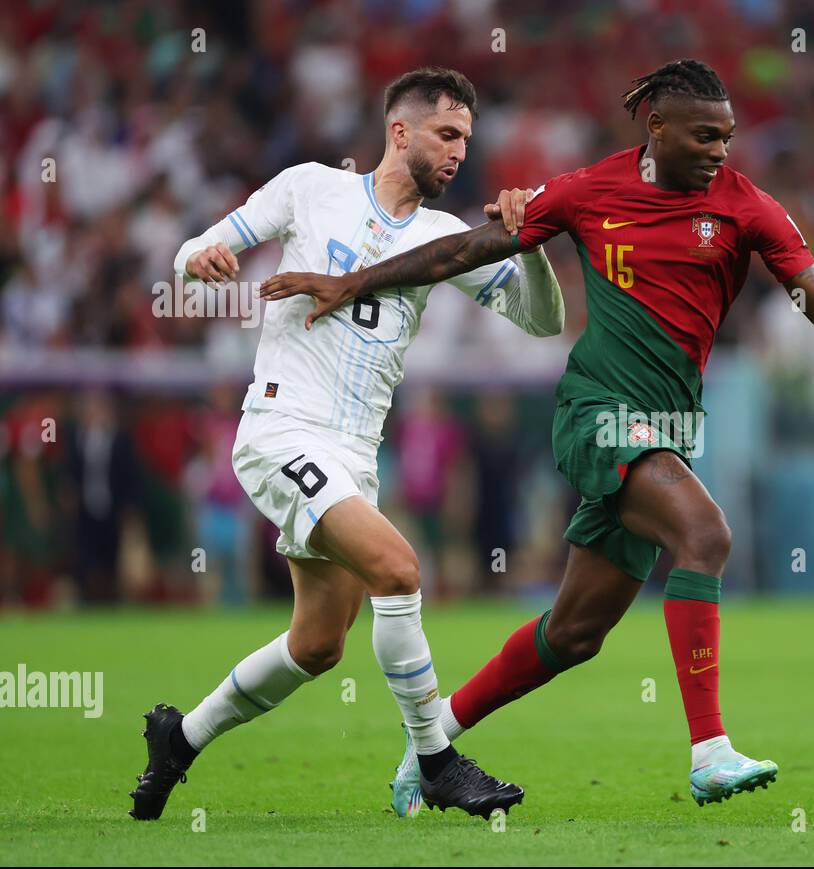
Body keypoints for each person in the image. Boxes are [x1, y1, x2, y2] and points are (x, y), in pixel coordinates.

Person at [261, 59, 814, 809]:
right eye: (704, 135)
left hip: (668, 428)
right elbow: (469, 249)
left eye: (726, 136)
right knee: (708, 536)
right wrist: (356, 281)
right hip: (596, 415)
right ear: (656, 126)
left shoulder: (749, 208)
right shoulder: (591, 190)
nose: (720, 150)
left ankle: (429, 749)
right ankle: (709, 751)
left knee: (574, 633)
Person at [130, 67, 565, 822]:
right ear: (400, 132)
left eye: (468, 137)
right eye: (447, 134)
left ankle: (181, 738)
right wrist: (195, 259)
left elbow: (543, 321)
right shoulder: (309, 188)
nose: (461, 151)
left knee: (318, 644)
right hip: (282, 429)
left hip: (353, 454)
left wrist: (528, 244)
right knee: (399, 567)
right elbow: (198, 248)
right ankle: (435, 761)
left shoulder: (442, 239)